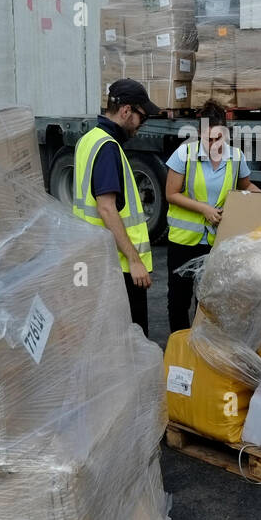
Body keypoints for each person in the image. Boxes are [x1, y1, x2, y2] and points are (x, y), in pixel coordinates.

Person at [72, 78, 162, 336]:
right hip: (117, 266)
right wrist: (135, 261)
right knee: (131, 339)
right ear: (126, 111)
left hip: (95, 258)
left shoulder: (88, 139)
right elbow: (106, 208)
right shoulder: (108, 148)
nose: (142, 124)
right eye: (142, 117)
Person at [165, 100, 260, 332]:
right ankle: (179, 345)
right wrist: (204, 209)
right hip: (183, 241)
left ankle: (203, 346)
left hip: (216, 241)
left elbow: (246, 186)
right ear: (199, 133)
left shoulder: (235, 157)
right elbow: (171, 194)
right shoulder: (184, 154)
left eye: (219, 138)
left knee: (209, 299)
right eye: (208, 139)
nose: (214, 144)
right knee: (179, 299)